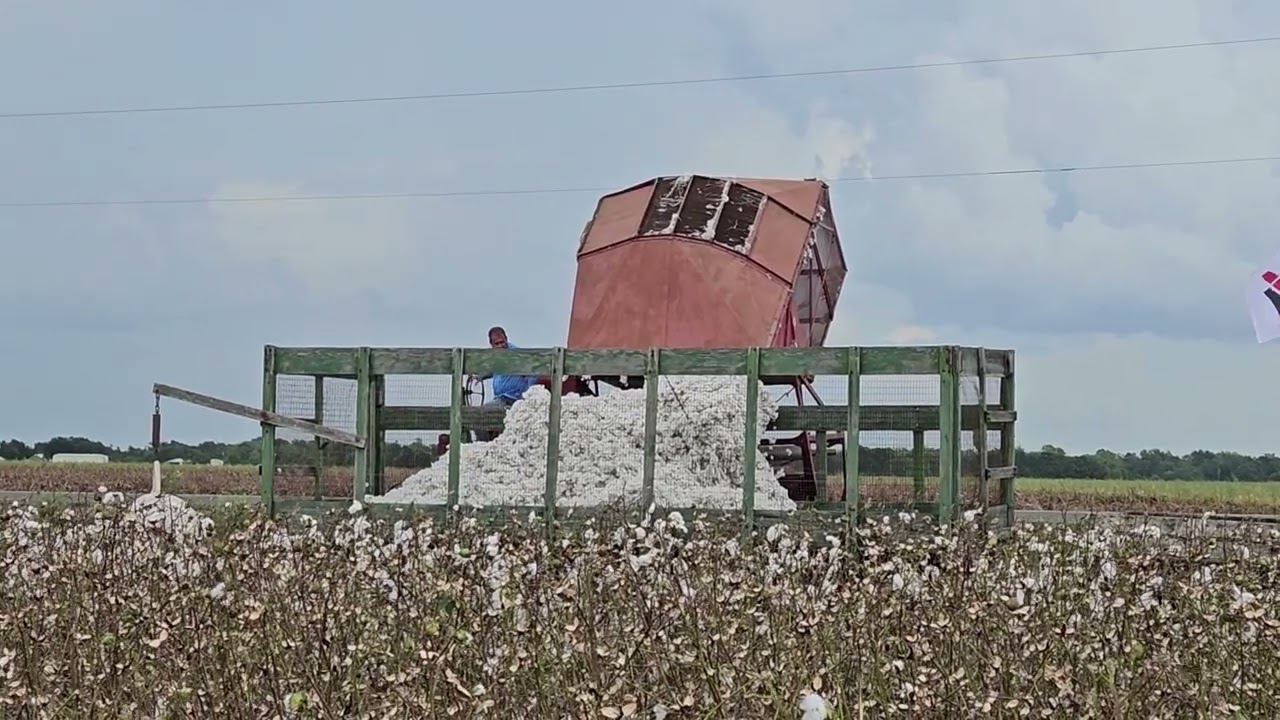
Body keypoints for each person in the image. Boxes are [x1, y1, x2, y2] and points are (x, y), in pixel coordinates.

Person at [470, 326, 539, 441]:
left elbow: (534, 371)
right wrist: (480, 376)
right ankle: (488, 443)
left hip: (511, 399)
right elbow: (494, 369)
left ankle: (484, 445)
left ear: (506, 339)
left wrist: (527, 394)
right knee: (481, 419)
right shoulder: (496, 356)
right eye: (497, 344)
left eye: (502, 342)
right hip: (500, 398)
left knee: (478, 415)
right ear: (491, 344)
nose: (500, 346)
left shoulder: (516, 355)